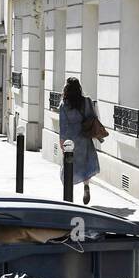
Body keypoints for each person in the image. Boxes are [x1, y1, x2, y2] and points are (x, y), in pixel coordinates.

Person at [58, 76, 104, 205]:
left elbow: (63, 125)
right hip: (84, 137)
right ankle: (86, 186)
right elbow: (93, 117)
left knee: (70, 166)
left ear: (66, 88)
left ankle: (69, 193)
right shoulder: (87, 101)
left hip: (71, 140)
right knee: (86, 163)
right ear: (79, 88)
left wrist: (62, 142)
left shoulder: (64, 105)